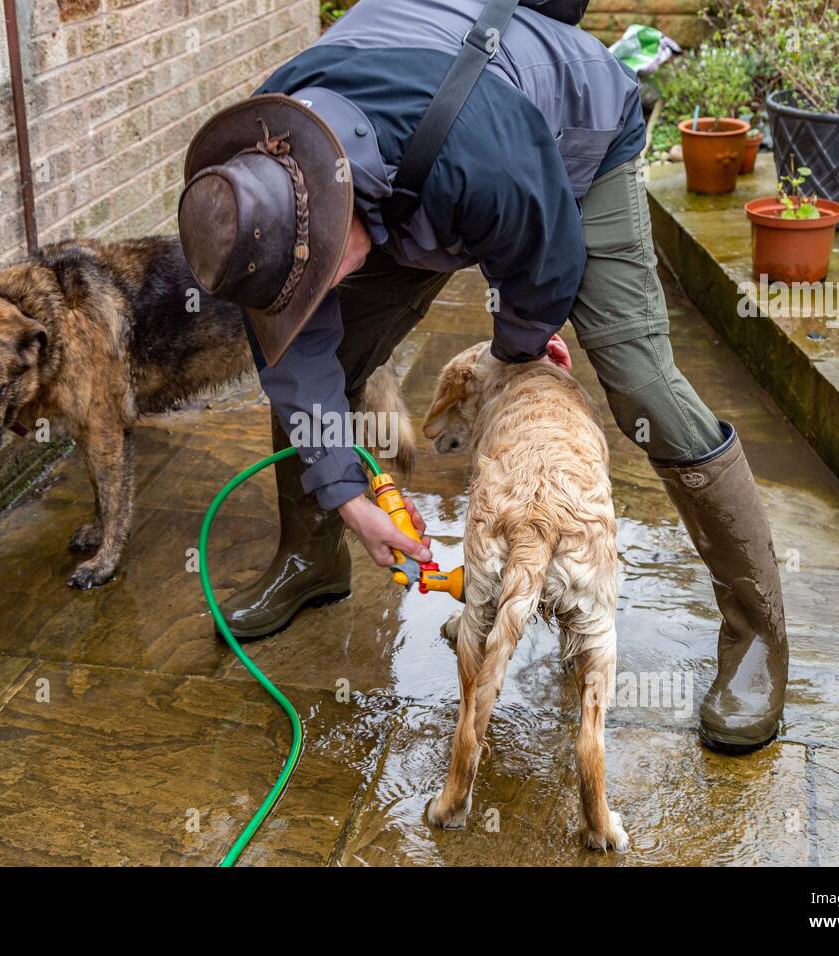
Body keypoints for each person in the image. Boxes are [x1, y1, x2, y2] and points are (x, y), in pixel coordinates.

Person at [176, 0, 787, 752]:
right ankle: (311, 558)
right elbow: (297, 369)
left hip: (567, 143)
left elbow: (545, 257)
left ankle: (758, 639)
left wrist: (517, 348)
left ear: (337, 215)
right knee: (318, 364)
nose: (316, 297)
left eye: (321, 276)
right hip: (414, 172)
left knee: (640, 384)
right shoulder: (259, 193)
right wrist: (346, 497)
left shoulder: (480, 159)